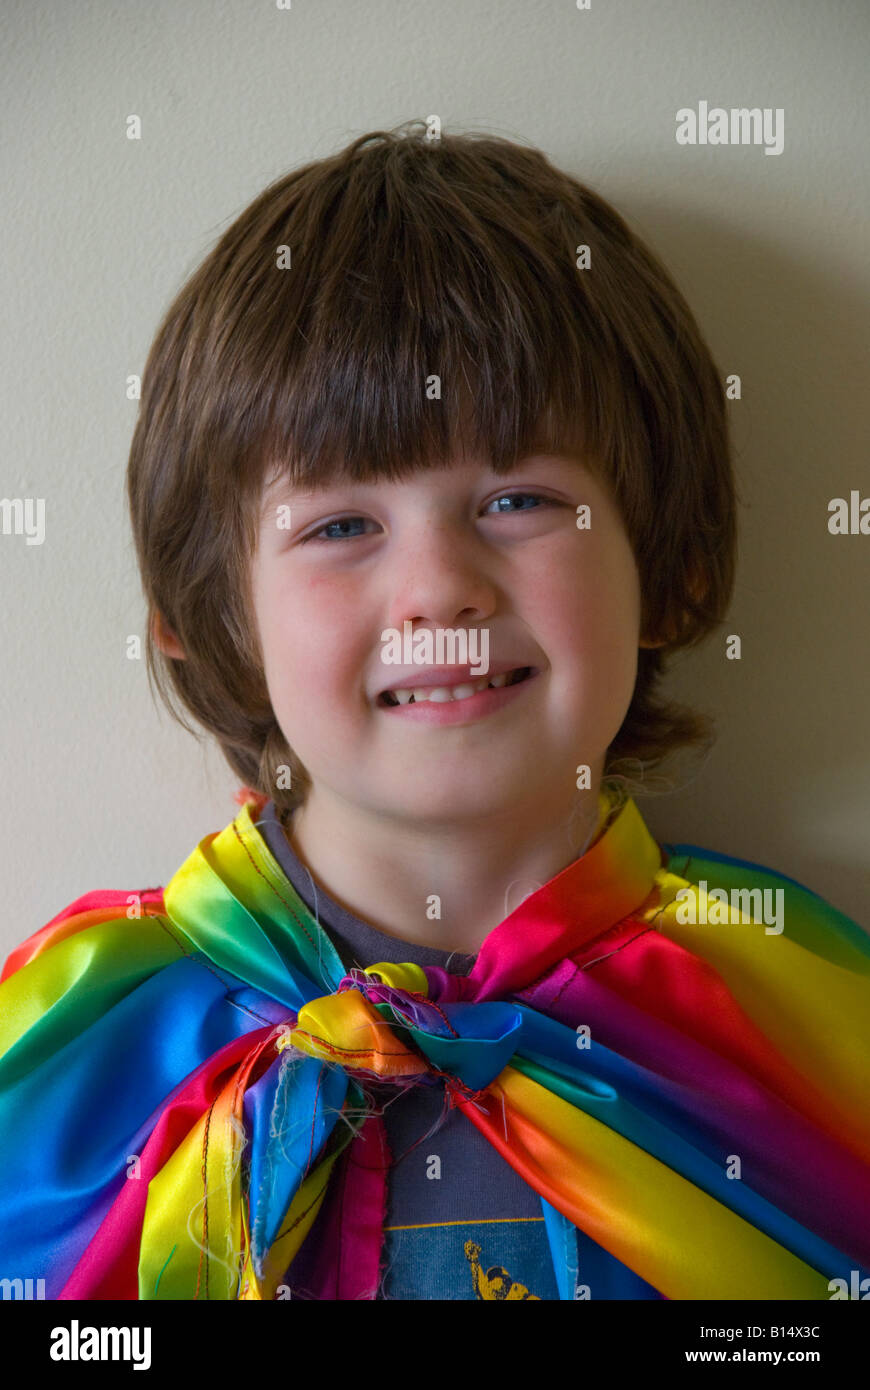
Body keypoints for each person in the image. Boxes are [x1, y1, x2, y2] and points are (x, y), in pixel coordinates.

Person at [1, 122, 868, 1302]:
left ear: (675, 571)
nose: (438, 590)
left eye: (517, 498)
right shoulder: (57, 1049)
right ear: (207, 620)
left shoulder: (811, 1029)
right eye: (340, 526)